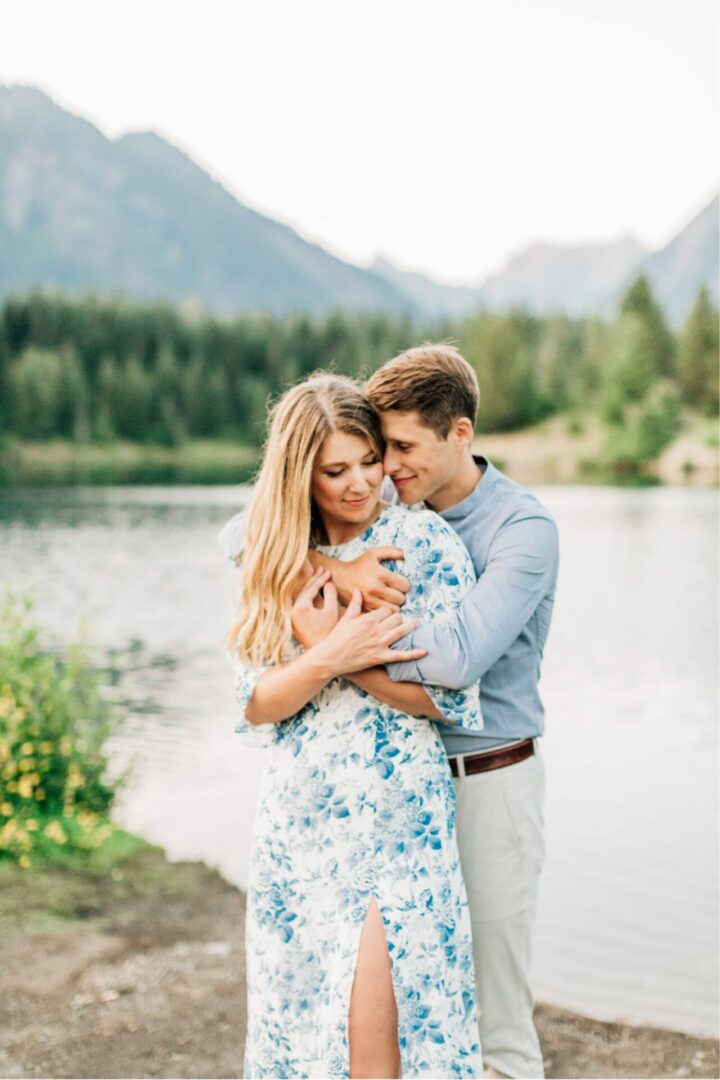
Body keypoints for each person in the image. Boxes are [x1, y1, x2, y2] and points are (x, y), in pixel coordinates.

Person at [295, 345, 559, 1080]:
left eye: (405, 448)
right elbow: (241, 541)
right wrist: (332, 566)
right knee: (406, 1012)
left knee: (494, 1019)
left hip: (487, 780)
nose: (389, 468)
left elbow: (454, 659)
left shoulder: (522, 531)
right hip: (398, 794)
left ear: (461, 435)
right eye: (384, 450)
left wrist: (333, 647)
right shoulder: (382, 507)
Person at [228, 373, 484, 1079]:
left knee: (380, 1038)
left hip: (399, 820)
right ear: (299, 475)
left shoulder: (421, 545)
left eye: (369, 460)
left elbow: (454, 702)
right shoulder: (275, 558)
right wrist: (327, 656)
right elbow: (253, 703)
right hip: (299, 824)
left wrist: (340, 660)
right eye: (335, 470)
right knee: (302, 1030)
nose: (362, 483)